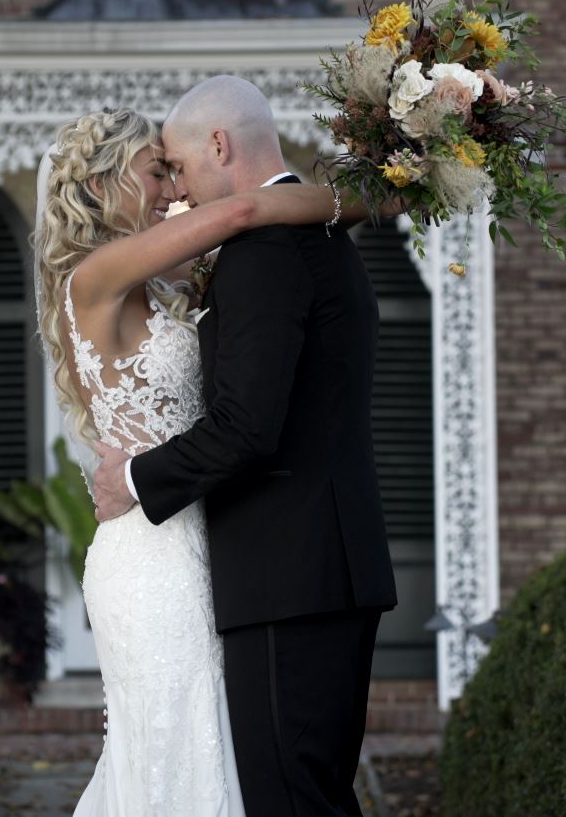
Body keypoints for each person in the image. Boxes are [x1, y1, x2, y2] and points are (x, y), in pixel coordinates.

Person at [30, 91, 381, 815]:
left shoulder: (167, 285)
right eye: (153, 172)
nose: (170, 189)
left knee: (232, 762)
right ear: (102, 186)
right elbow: (244, 211)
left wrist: (369, 201)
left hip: (215, 540)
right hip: (152, 550)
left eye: (172, 169)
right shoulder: (94, 277)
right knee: (174, 758)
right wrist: (369, 196)